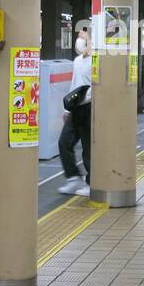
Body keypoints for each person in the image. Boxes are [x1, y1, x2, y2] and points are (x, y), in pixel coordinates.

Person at [58, 28, 93, 196]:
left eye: (82, 36)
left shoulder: (96, 60)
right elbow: (74, 83)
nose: (79, 39)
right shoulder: (78, 61)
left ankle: (91, 183)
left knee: (88, 147)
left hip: (90, 107)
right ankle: (73, 178)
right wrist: (67, 108)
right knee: (64, 142)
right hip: (76, 107)